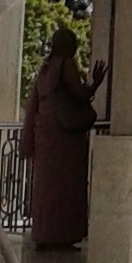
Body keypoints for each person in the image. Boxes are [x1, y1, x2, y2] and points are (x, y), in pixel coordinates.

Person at [21, 27, 104, 250]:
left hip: (45, 134)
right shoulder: (64, 64)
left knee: (46, 186)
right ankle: (62, 235)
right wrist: (95, 83)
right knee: (66, 185)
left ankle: (44, 234)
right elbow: (79, 92)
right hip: (63, 136)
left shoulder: (45, 68)